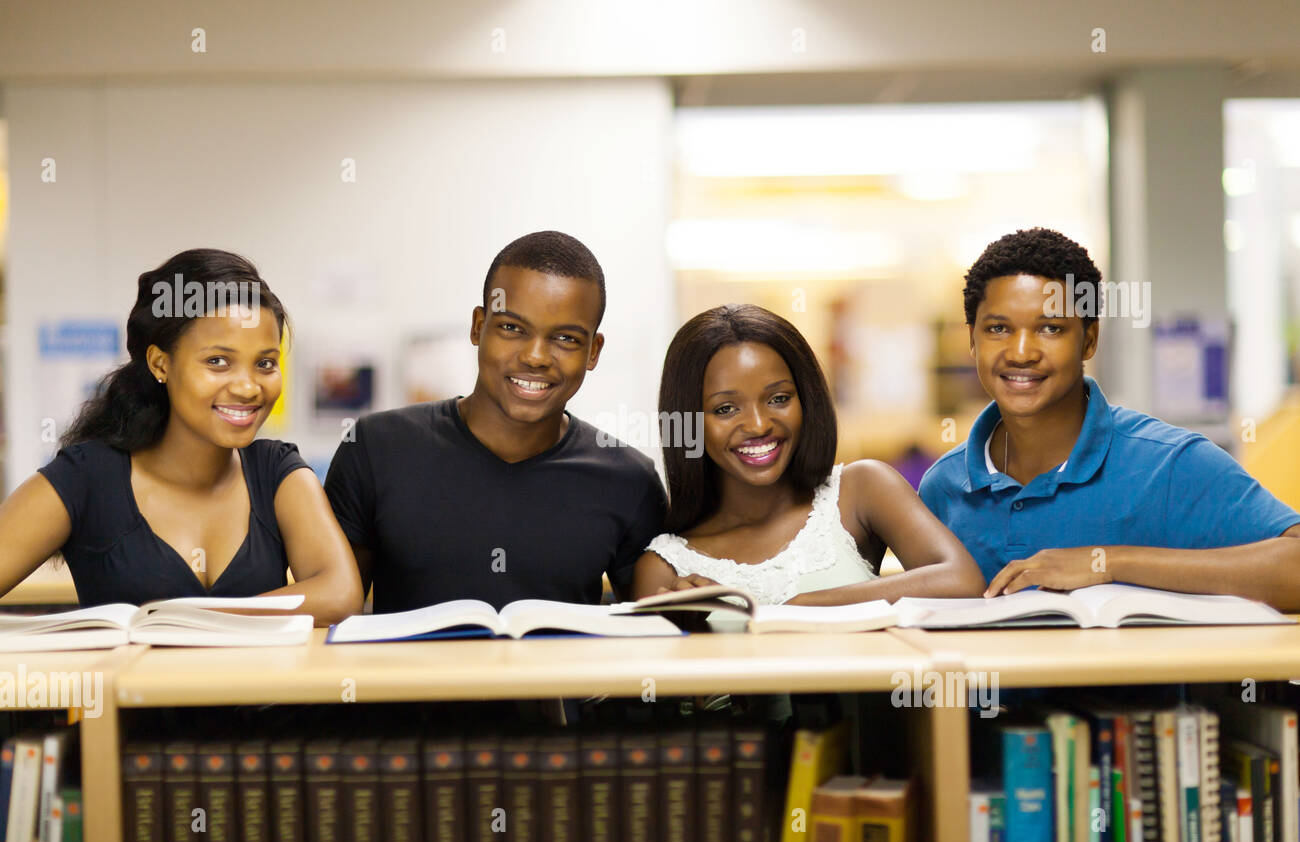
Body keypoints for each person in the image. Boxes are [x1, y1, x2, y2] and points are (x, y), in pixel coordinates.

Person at [918, 227, 1300, 609]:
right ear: (972, 340)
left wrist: (1109, 562)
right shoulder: (943, 488)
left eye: (1050, 328)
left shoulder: (1170, 464)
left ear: (1089, 340)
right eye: (998, 329)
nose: (1021, 352)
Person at [0, 249, 363, 624]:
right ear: (161, 364)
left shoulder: (277, 472)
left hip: (251, 685)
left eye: (265, 363)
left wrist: (180, 618)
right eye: (218, 361)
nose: (248, 387)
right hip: (131, 685)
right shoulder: (87, 477)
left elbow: (340, 593)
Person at [324, 231, 665, 612]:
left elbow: (656, 628)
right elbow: (333, 616)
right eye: (512, 328)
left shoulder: (630, 482)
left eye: (566, 338)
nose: (536, 356)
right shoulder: (375, 449)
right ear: (478, 326)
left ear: (593, 352)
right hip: (410, 673)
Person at [632, 304, 985, 608]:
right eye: (725, 409)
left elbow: (962, 582)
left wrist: (802, 607)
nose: (758, 425)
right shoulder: (665, 567)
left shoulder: (860, 489)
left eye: (779, 399)